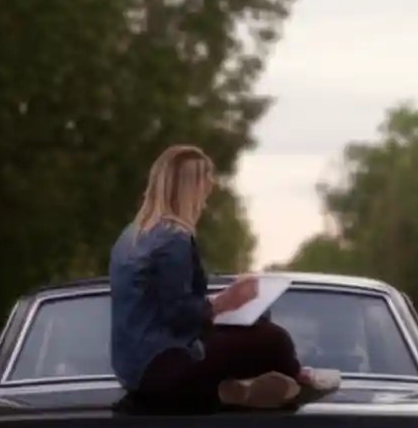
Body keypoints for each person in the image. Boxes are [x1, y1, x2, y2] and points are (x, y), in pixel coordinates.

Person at [109, 144, 339, 410]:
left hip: (134, 373)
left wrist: (223, 304)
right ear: (190, 188)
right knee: (273, 338)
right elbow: (180, 317)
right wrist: (227, 302)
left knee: (253, 323)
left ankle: (230, 389)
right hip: (166, 368)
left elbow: (162, 305)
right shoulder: (174, 240)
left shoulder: (130, 237)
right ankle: (299, 380)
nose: (208, 193)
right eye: (205, 185)